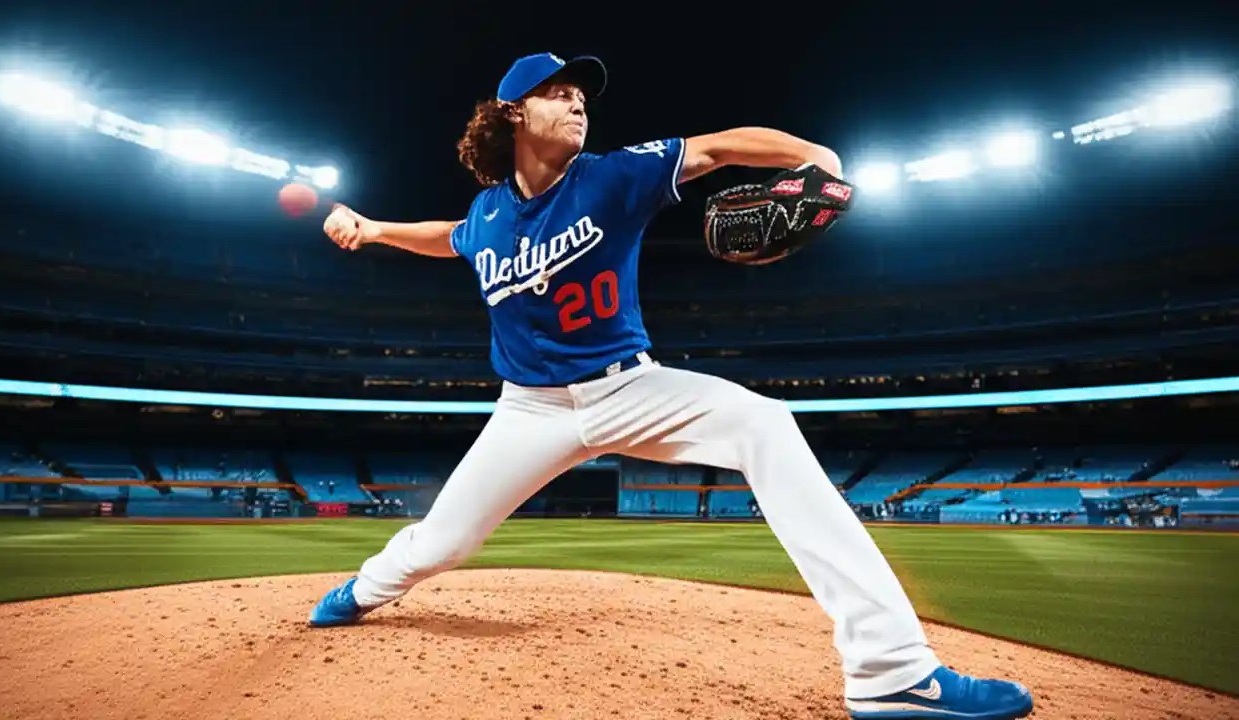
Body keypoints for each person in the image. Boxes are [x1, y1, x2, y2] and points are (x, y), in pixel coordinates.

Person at [309, 51, 1033, 720]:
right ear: (509, 116)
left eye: (580, 96)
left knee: (764, 424)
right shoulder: (489, 213)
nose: (576, 105)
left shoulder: (614, 175)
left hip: (631, 391)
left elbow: (720, 146)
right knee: (443, 542)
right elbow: (449, 235)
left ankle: (891, 672)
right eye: (555, 95)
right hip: (528, 410)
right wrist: (373, 229)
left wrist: (816, 156)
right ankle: (365, 589)